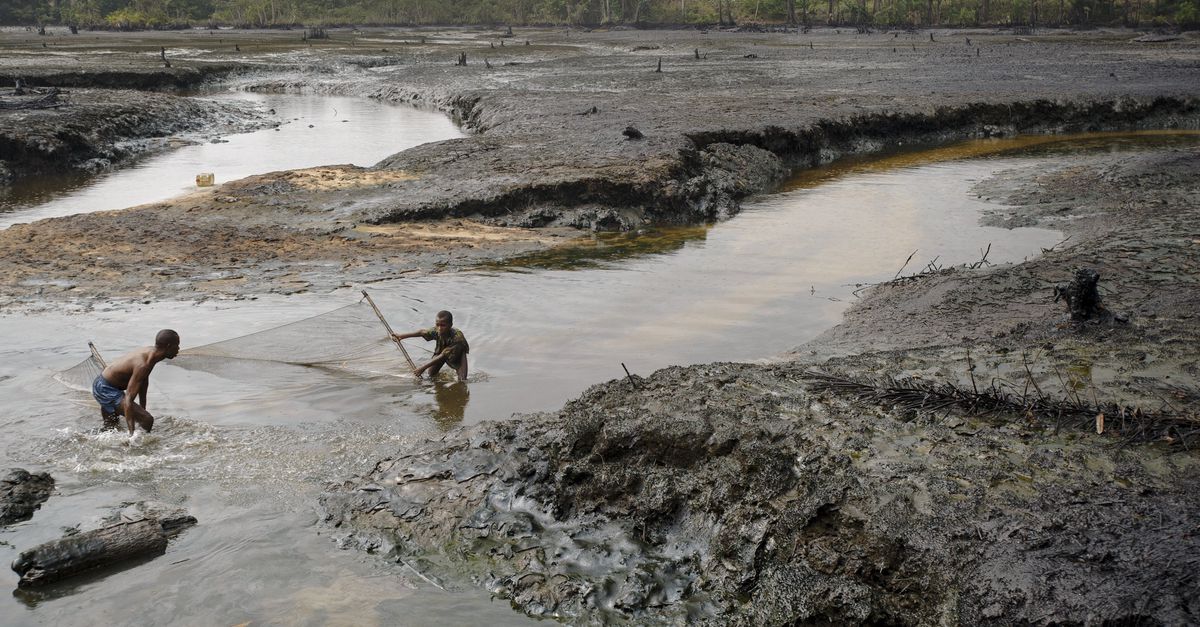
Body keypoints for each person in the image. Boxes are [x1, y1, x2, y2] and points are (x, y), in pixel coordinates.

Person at [91, 329, 180, 434]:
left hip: (105, 385)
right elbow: (128, 399)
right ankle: (135, 442)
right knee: (147, 419)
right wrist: (132, 434)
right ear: (168, 346)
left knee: (110, 429)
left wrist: (142, 409)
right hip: (105, 389)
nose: (178, 349)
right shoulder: (144, 364)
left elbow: (143, 382)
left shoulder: (151, 354)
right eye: (177, 345)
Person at [393, 311, 469, 381]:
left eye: (443, 325)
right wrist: (401, 336)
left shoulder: (458, 338)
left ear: (450, 325)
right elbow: (421, 332)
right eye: (437, 325)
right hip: (441, 351)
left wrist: (422, 368)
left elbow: (444, 355)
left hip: (457, 354)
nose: (439, 328)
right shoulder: (436, 330)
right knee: (431, 375)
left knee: (462, 380)